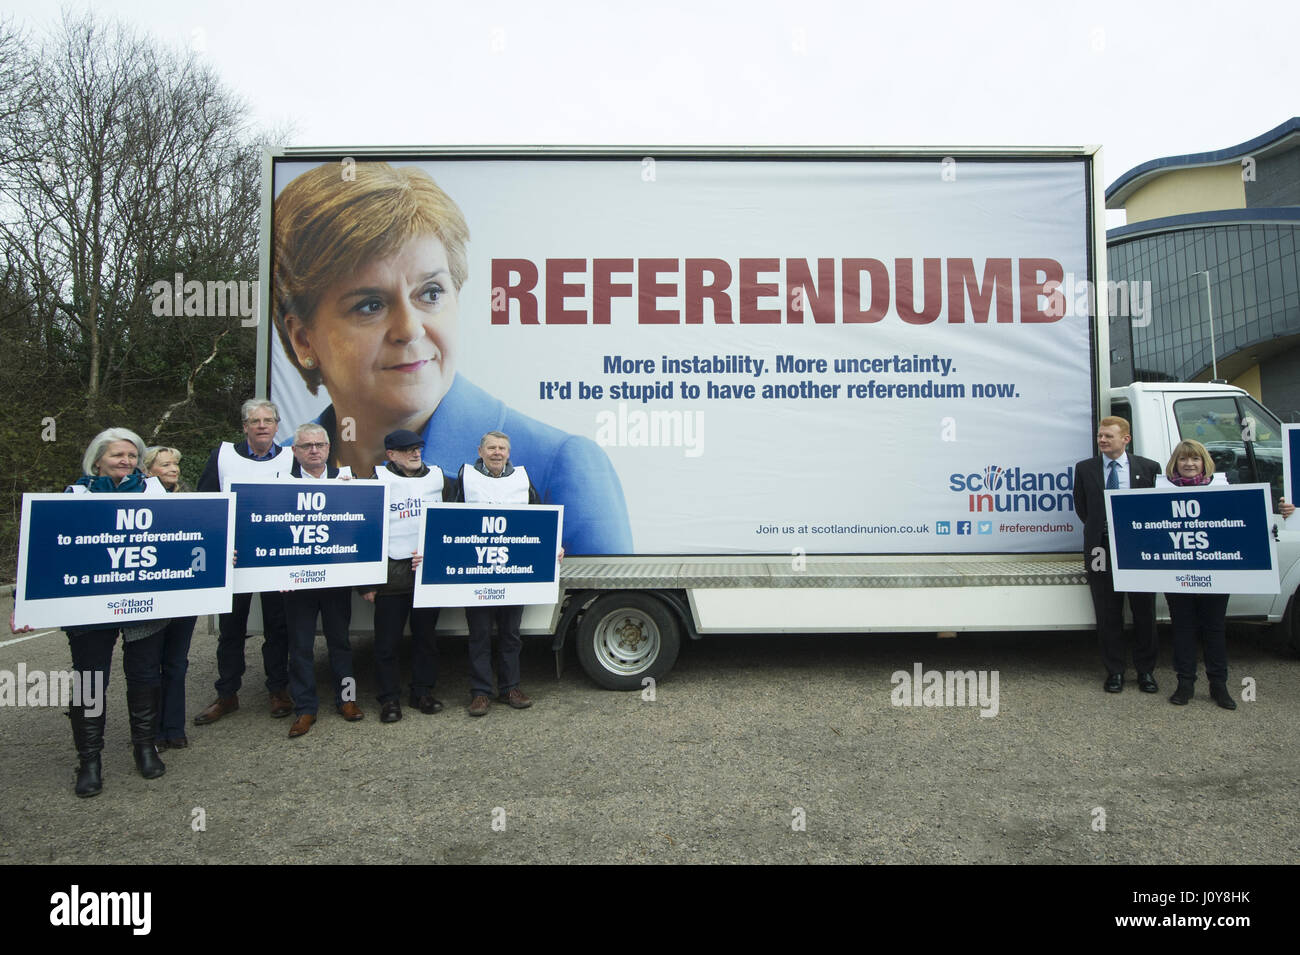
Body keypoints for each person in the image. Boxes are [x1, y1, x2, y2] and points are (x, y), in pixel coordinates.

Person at [271, 161, 631, 557]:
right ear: (303, 339)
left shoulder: (560, 464)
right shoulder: (279, 472)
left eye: (430, 293)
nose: (409, 328)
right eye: (370, 304)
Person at [62, 429, 169, 796]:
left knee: (143, 675)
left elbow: (179, 536)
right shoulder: (75, 495)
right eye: (116, 455)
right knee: (90, 679)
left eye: (131, 455)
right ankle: (89, 759)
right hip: (91, 608)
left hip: (144, 602)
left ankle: (144, 747)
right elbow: (56, 549)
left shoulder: (154, 492)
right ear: (97, 460)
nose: (125, 461)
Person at [1156, 439, 1296, 709]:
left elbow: (1246, 520)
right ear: (1175, 462)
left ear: (1204, 462)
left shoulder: (1224, 488)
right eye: (1183, 459)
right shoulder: (1160, 490)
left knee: (1214, 628)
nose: (1189, 464)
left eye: (1195, 459)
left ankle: (1218, 685)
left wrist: (1282, 511)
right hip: (1177, 573)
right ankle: (1185, 683)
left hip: (1216, 572)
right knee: (1183, 629)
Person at [193, 399, 295, 726]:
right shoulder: (221, 457)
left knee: (278, 629)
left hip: (277, 561)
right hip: (235, 562)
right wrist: (219, 548)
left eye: (268, 420)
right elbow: (205, 508)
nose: (262, 425)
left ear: (278, 425)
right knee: (231, 630)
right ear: (245, 426)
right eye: (255, 421)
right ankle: (227, 693)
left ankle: (278, 689)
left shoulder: (292, 459)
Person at [454, 430, 555, 716]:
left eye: (502, 448)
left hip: (514, 571)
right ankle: (480, 693)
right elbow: (448, 518)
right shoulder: (465, 477)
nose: (497, 453)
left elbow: (538, 518)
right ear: (481, 450)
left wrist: (552, 547)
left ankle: (511, 687)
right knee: (480, 634)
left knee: (511, 634)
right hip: (477, 570)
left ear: (509, 453)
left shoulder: (522, 478)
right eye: (492, 448)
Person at [362, 429, 457, 722]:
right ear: (391, 455)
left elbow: (455, 521)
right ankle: (389, 699)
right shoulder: (377, 481)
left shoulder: (439, 479)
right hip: (391, 578)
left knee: (426, 639)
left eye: (418, 448)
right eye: (407, 450)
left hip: (427, 576)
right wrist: (365, 583)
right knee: (387, 643)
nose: (415, 453)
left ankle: (422, 692)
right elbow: (365, 530)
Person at [282, 423, 362, 738]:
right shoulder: (281, 484)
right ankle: (305, 708)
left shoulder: (348, 481)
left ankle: (348, 698)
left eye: (320, 444)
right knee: (300, 646)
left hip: (336, 579)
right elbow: (272, 529)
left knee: (341, 642)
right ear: (295, 451)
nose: (314, 450)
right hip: (297, 583)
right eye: (307, 446)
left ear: (329, 449)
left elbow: (361, 527)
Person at [1074, 415, 1162, 694]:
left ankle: (1146, 671)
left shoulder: (1148, 468)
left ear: (1125, 439)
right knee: (1107, 611)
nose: (1102, 440)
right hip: (1101, 548)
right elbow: (1083, 508)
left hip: (1138, 548)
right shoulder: (1085, 469)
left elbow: (1156, 506)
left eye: (1108, 436)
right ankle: (1115, 671)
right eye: (1100, 435)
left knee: (1144, 611)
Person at [143, 447, 198, 750]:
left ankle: (174, 727)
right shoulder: (137, 499)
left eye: (176, 463)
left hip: (185, 594)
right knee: (149, 665)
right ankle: (149, 732)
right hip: (151, 596)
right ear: (147, 469)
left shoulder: (191, 497)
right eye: (165, 464)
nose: (173, 468)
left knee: (177, 663)